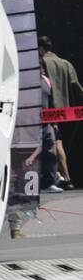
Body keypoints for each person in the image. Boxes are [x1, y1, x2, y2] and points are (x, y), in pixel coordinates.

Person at [41, 36, 83, 190]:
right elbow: (77, 87)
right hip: (64, 111)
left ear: (40, 48)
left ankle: (64, 177)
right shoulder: (66, 63)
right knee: (57, 143)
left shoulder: (42, 62)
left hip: (48, 110)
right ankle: (64, 177)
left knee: (55, 143)